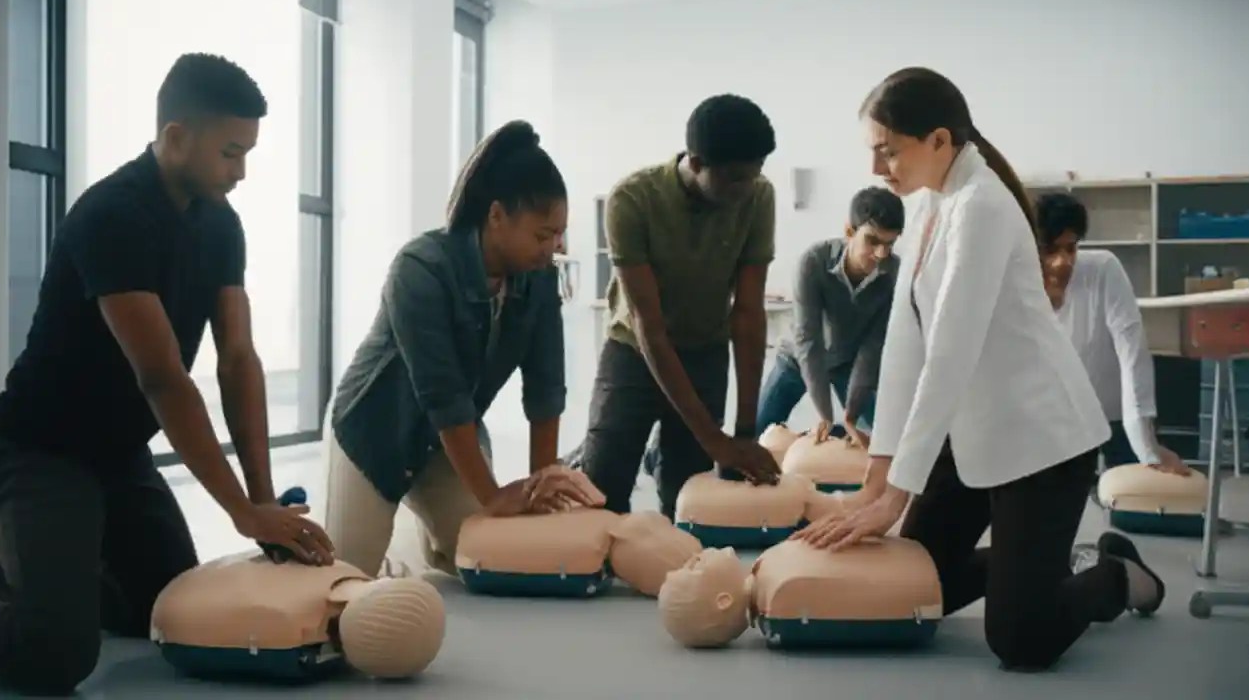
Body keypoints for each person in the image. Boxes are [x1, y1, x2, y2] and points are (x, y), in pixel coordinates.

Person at [0, 53, 334, 696]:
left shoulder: (222, 226)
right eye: (231, 153)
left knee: (171, 614)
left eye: (248, 152)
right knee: (56, 653)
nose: (242, 172)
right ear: (176, 138)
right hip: (36, 450)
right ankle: (27, 579)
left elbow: (237, 359)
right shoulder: (111, 216)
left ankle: (32, 570)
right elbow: (164, 378)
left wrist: (261, 499)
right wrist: (241, 513)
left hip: (118, 457)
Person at [795, 67, 1165, 671]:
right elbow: (904, 345)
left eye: (887, 151)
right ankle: (1040, 568)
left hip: (1041, 440)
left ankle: (1117, 576)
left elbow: (950, 353)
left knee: (1022, 641)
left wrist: (898, 499)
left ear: (940, 140)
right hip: (969, 437)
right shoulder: (930, 206)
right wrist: (878, 476)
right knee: (914, 587)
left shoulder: (984, 205)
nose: (876, 169)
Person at [324, 121, 602, 579]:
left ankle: (429, 539)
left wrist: (541, 485)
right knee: (344, 583)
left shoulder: (539, 280)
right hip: (374, 435)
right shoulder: (420, 269)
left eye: (559, 235)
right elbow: (444, 397)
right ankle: (389, 546)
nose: (552, 249)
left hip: (446, 443)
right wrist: (494, 497)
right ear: (496, 216)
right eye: (541, 235)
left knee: (486, 556)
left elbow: (546, 387)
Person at [577, 94, 782, 519]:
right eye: (735, 179)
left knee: (686, 494)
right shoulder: (632, 200)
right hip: (633, 350)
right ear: (697, 161)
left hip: (704, 348)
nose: (747, 189)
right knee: (602, 489)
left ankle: (666, 470)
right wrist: (713, 439)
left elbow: (747, 315)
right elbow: (649, 326)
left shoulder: (758, 196)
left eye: (756, 174)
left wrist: (742, 434)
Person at [1037, 192, 1191, 476]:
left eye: (1071, 248)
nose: (1062, 261)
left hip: (1114, 413)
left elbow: (1132, 353)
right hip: (1051, 418)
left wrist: (1147, 447)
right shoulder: (1017, 281)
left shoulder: (1102, 269)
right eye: (1051, 250)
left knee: (1136, 497)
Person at [759, 186, 903, 448]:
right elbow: (808, 340)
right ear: (850, 231)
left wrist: (851, 411)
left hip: (847, 363)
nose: (881, 254)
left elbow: (872, 347)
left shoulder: (894, 274)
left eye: (889, 244)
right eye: (872, 241)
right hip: (795, 359)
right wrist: (824, 413)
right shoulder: (813, 262)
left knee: (883, 441)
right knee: (757, 433)